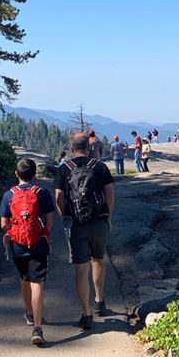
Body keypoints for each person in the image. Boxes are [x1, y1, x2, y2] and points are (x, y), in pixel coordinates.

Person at [55, 133, 115, 329]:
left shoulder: (65, 168)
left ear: (72, 149)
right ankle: (99, 301)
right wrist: (107, 216)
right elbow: (109, 194)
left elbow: (58, 198)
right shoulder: (99, 167)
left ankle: (86, 313)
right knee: (98, 259)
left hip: (76, 224)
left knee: (81, 269)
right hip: (98, 222)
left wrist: (65, 217)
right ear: (89, 148)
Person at [0, 158, 55, 345]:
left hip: (17, 244)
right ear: (34, 175)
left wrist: (13, 233)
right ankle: (37, 328)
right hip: (38, 243)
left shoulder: (9, 195)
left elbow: (4, 224)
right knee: (36, 282)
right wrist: (43, 233)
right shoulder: (42, 193)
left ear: (17, 174)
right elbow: (49, 221)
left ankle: (29, 313)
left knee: (24, 278)